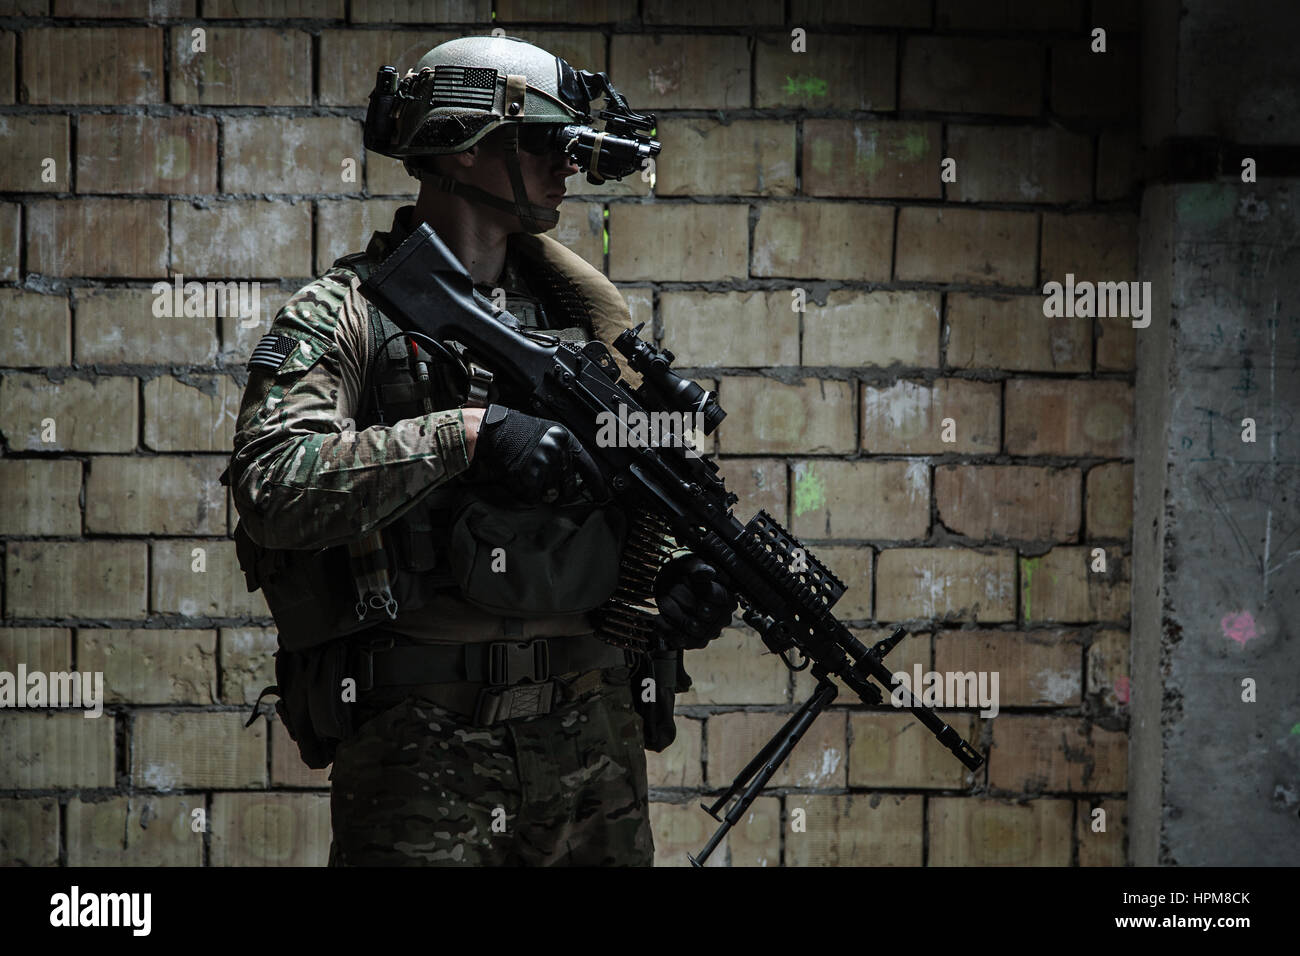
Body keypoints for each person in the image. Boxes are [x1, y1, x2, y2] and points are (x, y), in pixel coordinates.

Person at [224, 35, 736, 866]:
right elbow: (274, 485)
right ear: (466, 145)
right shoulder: (346, 314)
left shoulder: (587, 325)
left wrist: (675, 574)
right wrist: (470, 434)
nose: (565, 168)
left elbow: (638, 481)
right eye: (544, 143)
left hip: (595, 738)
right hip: (426, 743)